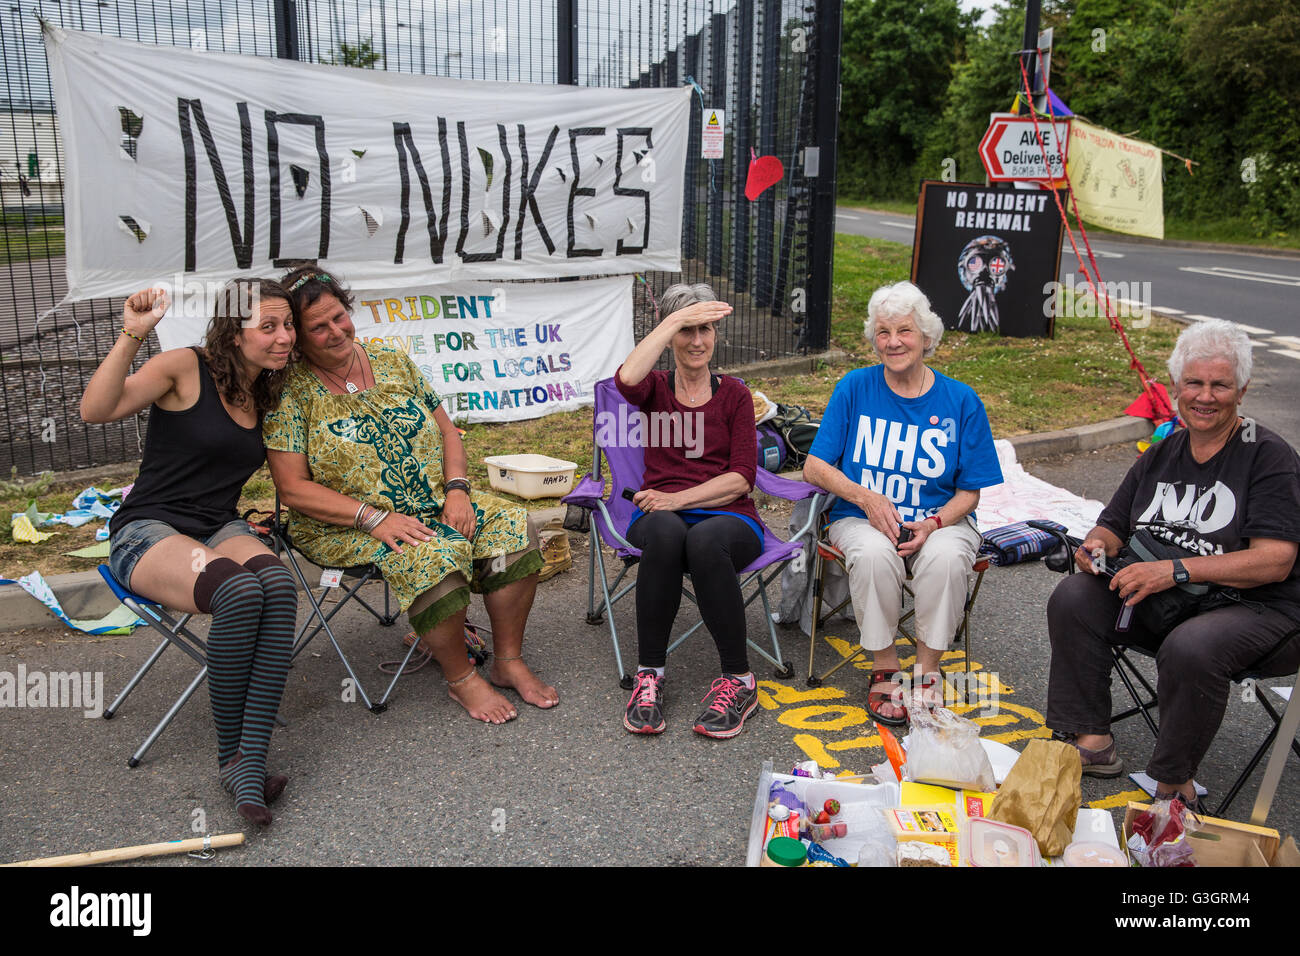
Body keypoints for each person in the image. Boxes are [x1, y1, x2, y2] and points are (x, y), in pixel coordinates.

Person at [263, 268, 554, 725]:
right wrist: (372, 518)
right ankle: (460, 678)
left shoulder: (390, 358)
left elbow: (448, 433)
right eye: (318, 327)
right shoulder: (290, 390)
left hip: (434, 500)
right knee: (427, 553)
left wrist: (457, 491)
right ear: (297, 337)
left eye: (339, 317)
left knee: (515, 525)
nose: (336, 331)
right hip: (342, 523)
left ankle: (507, 660)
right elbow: (292, 488)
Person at [1045, 320, 1300, 808]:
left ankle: (1173, 784)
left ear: (1241, 390)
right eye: (1193, 383)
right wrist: (1094, 548)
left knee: (1192, 645)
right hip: (1169, 602)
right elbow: (1111, 525)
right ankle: (1093, 741)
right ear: (1176, 388)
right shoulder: (1162, 453)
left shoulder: (1268, 457)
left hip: (1260, 610)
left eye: (1220, 385)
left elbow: (1275, 561)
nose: (1205, 396)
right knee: (1075, 596)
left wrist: (1177, 569)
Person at [83, 280, 299, 826]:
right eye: (268, 326)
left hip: (216, 526)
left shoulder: (268, 390)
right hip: (148, 530)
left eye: (288, 325)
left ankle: (248, 757)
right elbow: (96, 409)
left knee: (277, 584)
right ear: (233, 329)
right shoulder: (184, 366)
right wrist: (133, 335)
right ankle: (235, 758)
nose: (283, 337)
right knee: (237, 588)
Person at [802, 281, 1002, 726]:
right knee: (873, 553)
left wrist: (933, 522)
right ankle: (885, 666)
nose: (893, 342)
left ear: (926, 337)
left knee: (949, 556)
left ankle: (928, 670)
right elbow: (814, 467)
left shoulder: (961, 400)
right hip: (860, 517)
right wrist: (865, 497)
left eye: (905, 331)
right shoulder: (854, 387)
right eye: (884, 332)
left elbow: (970, 491)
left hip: (939, 519)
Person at [616, 282, 769, 739]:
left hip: (729, 516)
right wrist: (670, 321)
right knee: (664, 533)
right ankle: (650, 677)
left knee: (703, 540)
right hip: (661, 518)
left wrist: (678, 499)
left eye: (705, 329)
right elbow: (625, 379)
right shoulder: (654, 390)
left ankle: (740, 681)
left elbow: (742, 479)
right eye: (687, 330)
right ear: (671, 335)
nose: (697, 341)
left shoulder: (736, 395)